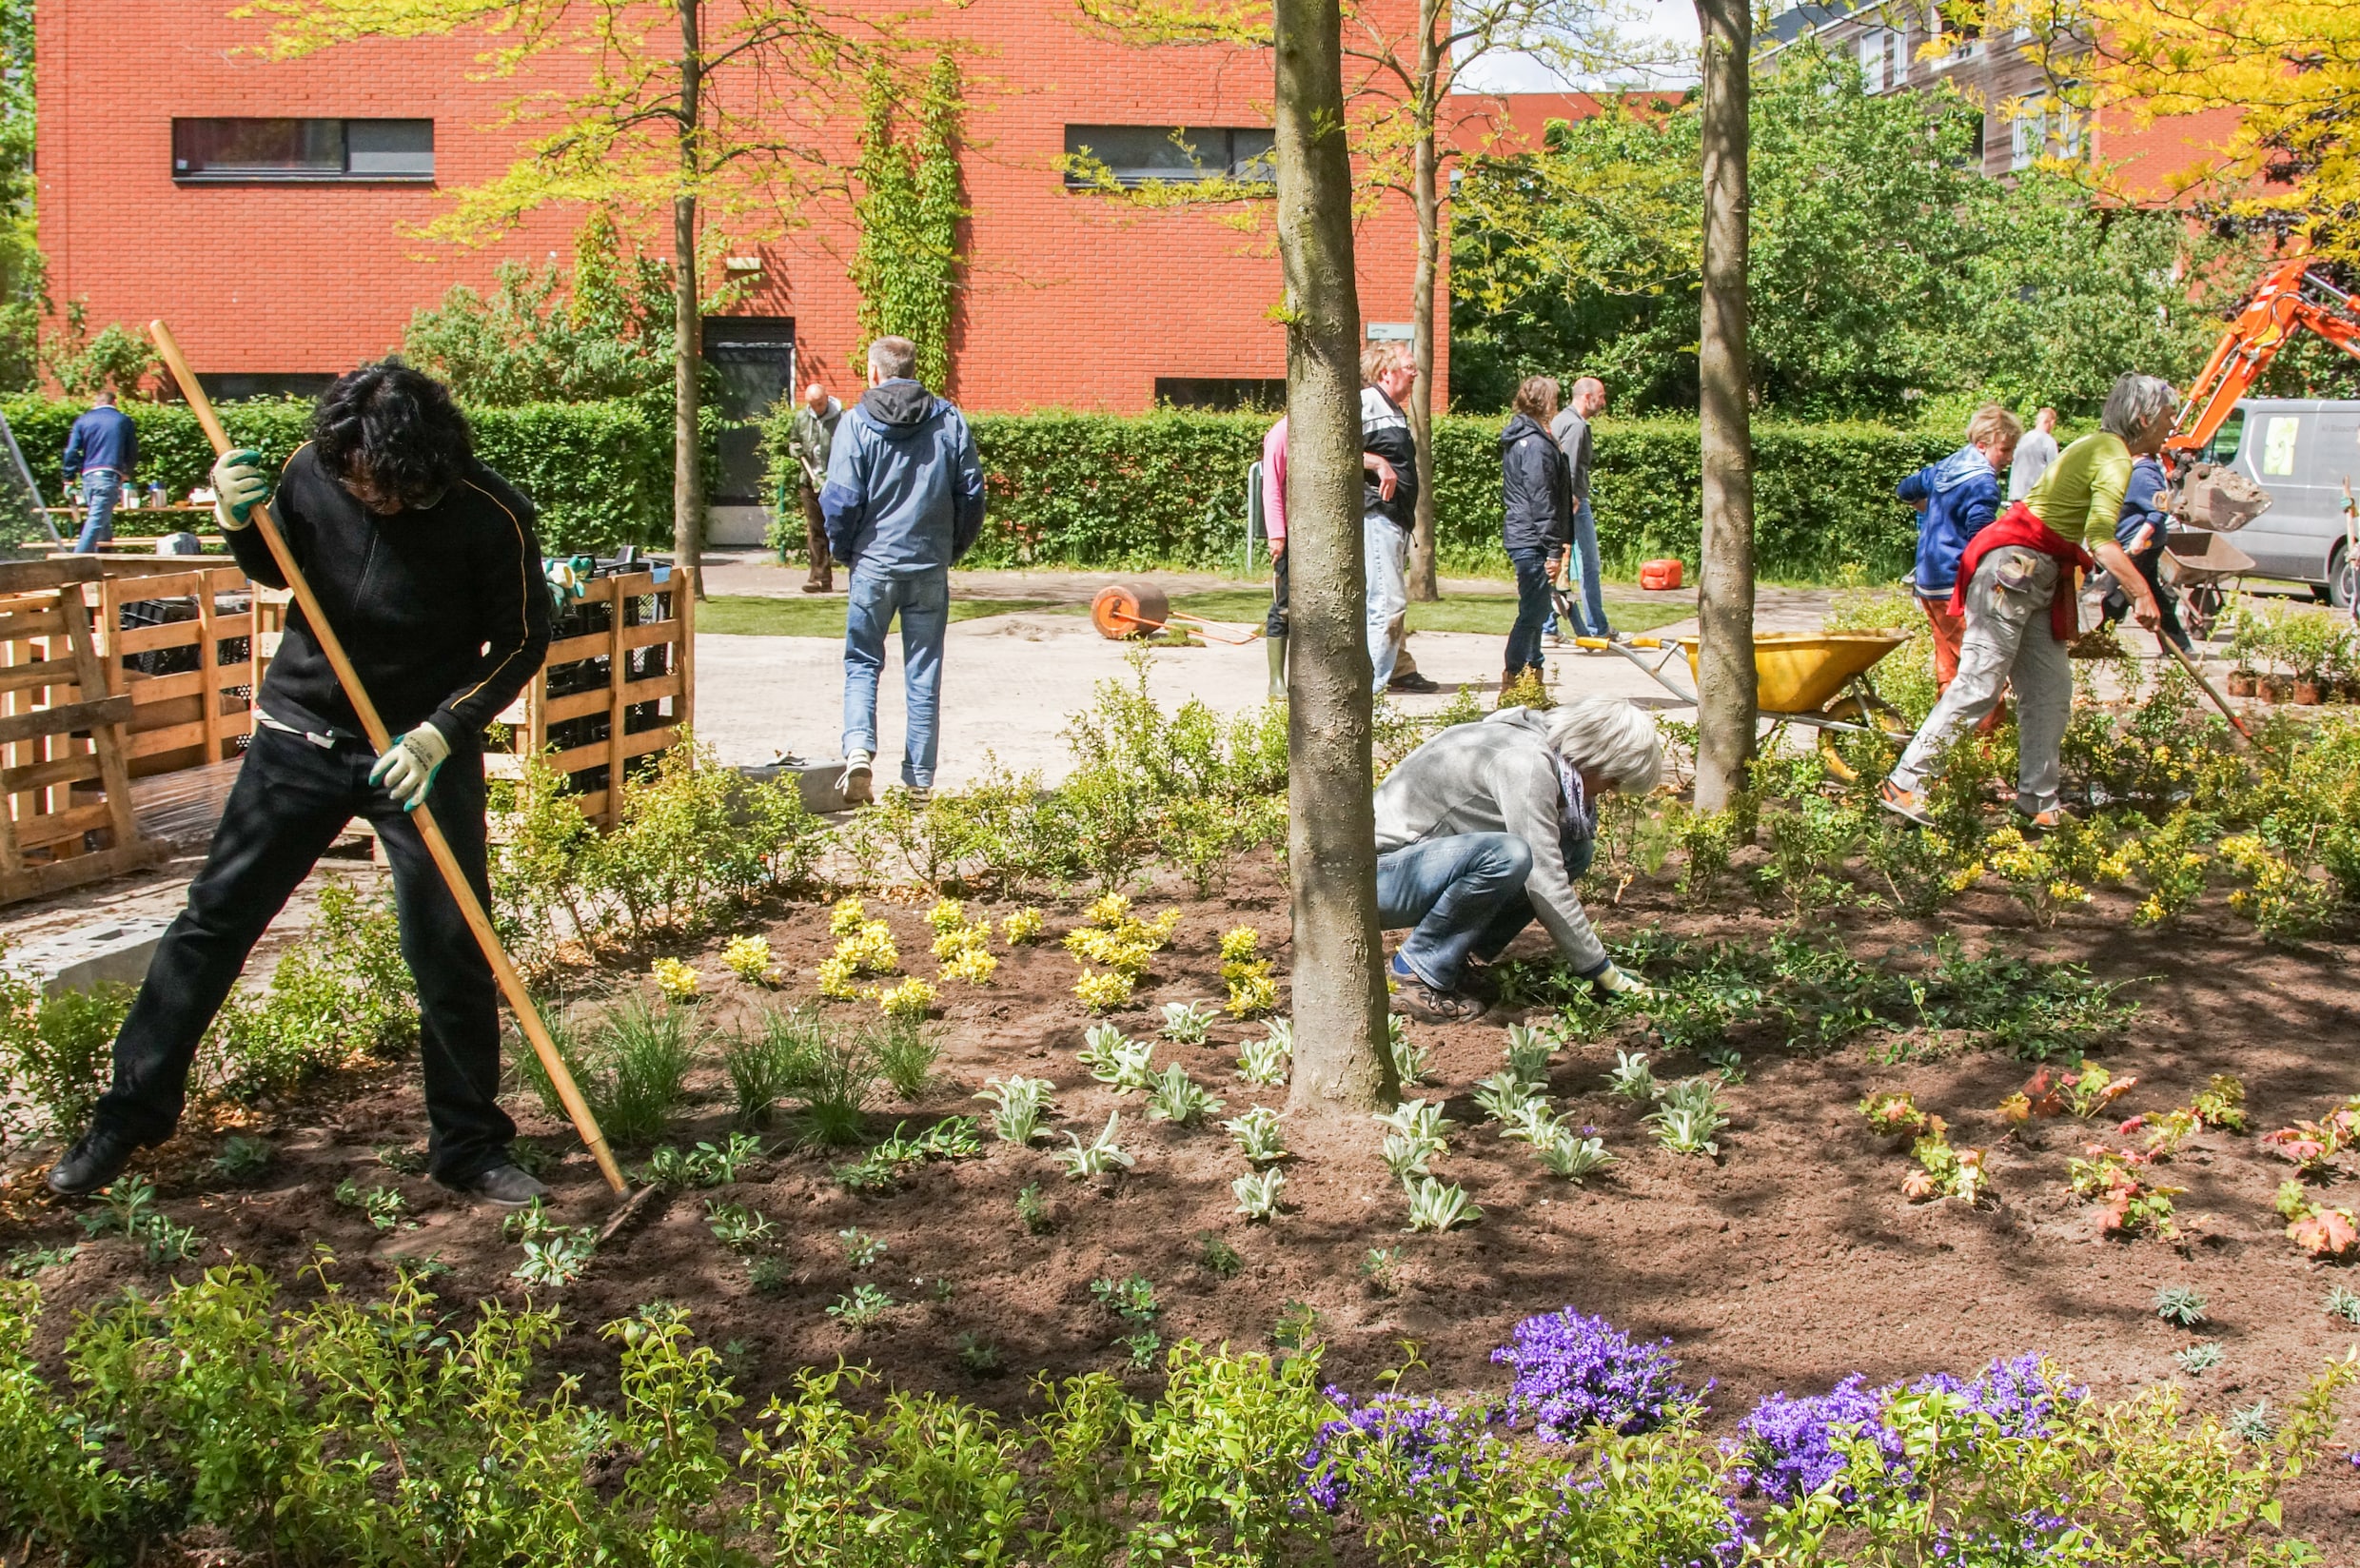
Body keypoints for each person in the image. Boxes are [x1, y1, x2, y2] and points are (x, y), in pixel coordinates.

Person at [47, 361, 554, 1204]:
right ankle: (127, 1117)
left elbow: (523, 640)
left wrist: (442, 732)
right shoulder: (314, 466)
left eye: (384, 489)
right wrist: (236, 519)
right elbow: (276, 566)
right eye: (352, 482)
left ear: (425, 467)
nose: (367, 498)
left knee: (452, 946)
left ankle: (467, 1145)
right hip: (299, 740)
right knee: (214, 922)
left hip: (417, 757)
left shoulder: (490, 515)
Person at [1882, 373, 2176, 830]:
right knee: (1979, 684)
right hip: (2013, 573)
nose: (2172, 425)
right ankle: (1905, 782)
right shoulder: (2115, 459)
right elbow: (2101, 539)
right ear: (2143, 418)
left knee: (2049, 692)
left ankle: (2037, 803)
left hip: (2033, 576)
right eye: (2168, 416)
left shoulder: (2093, 445)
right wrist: (2142, 593)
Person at [1373, 696, 1661, 1021]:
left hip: (1406, 869)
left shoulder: (1532, 742)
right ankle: (1414, 973)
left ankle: (1452, 960)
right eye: (1613, 781)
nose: (1608, 792)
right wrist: (1602, 971)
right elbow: (1544, 875)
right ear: (1594, 758)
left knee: (1574, 851)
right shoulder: (1524, 762)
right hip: (1377, 878)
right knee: (1509, 856)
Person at [821, 335, 985, 808]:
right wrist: (951, 548)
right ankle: (918, 781)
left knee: (862, 662)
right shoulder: (948, 419)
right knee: (924, 671)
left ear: (874, 372)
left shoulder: (854, 423)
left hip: (873, 565)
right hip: (929, 565)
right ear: (912, 371)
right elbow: (972, 494)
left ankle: (857, 751)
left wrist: (845, 550)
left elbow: (840, 500)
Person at [1901, 402, 2021, 714]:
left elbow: (1906, 489)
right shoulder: (1983, 482)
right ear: (1982, 446)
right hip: (1953, 584)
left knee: (1949, 669)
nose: (2009, 458)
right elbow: (1981, 537)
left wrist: (1928, 509)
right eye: (2004, 450)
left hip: (1928, 578)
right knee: (1983, 670)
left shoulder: (1947, 466)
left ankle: (1944, 748)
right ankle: (1986, 750)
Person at [1360, 342, 1434, 695]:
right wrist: (1377, 463)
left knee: (1386, 603)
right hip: (1378, 516)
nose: (1415, 371)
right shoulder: (1366, 403)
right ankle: (1370, 690)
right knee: (1387, 604)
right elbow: (1332, 445)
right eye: (1408, 366)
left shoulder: (1393, 410)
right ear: (1385, 372)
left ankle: (1388, 676)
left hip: (1395, 521)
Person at [1500, 376, 1571, 691]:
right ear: (1546, 402)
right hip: (1531, 538)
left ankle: (1531, 676)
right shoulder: (1535, 445)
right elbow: (1541, 498)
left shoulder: (1530, 438)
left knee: (1539, 607)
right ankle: (1516, 678)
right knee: (1532, 610)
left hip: (1527, 535)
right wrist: (1553, 549)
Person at [1548, 376, 1616, 643]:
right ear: (1587, 397)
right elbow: (1572, 467)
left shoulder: (1559, 421)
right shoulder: (1576, 426)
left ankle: (1548, 627)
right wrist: (1573, 499)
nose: (1604, 401)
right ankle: (1597, 626)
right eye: (1601, 396)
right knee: (1589, 564)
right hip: (1575, 502)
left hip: (1558, 502)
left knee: (1558, 563)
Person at [62, 388, 139, 554]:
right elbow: (132, 451)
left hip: (88, 477)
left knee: (102, 521)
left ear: (95, 402)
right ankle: (75, 562)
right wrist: (126, 472)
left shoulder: (82, 421)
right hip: (109, 475)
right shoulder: (123, 421)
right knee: (96, 521)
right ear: (115, 402)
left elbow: (71, 451)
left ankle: (104, 562)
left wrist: (68, 478)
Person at [789, 381, 844, 594]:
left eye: (820, 403)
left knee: (840, 528)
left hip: (836, 482)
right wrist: (795, 448)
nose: (817, 408)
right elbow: (794, 440)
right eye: (813, 405)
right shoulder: (802, 418)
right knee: (815, 529)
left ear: (827, 398)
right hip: (809, 481)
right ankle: (819, 578)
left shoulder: (842, 418)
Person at [1260, 413, 1290, 699]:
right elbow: (1271, 488)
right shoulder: (1281, 433)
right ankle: (1276, 681)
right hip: (1289, 533)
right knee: (1284, 605)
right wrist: (1277, 536)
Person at [2008, 406, 2060, 501]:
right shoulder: (2048, 442)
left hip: (2015, 494)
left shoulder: (2023, 439)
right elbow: (2054, 472)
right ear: (2052, 422)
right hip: (2033, 498)